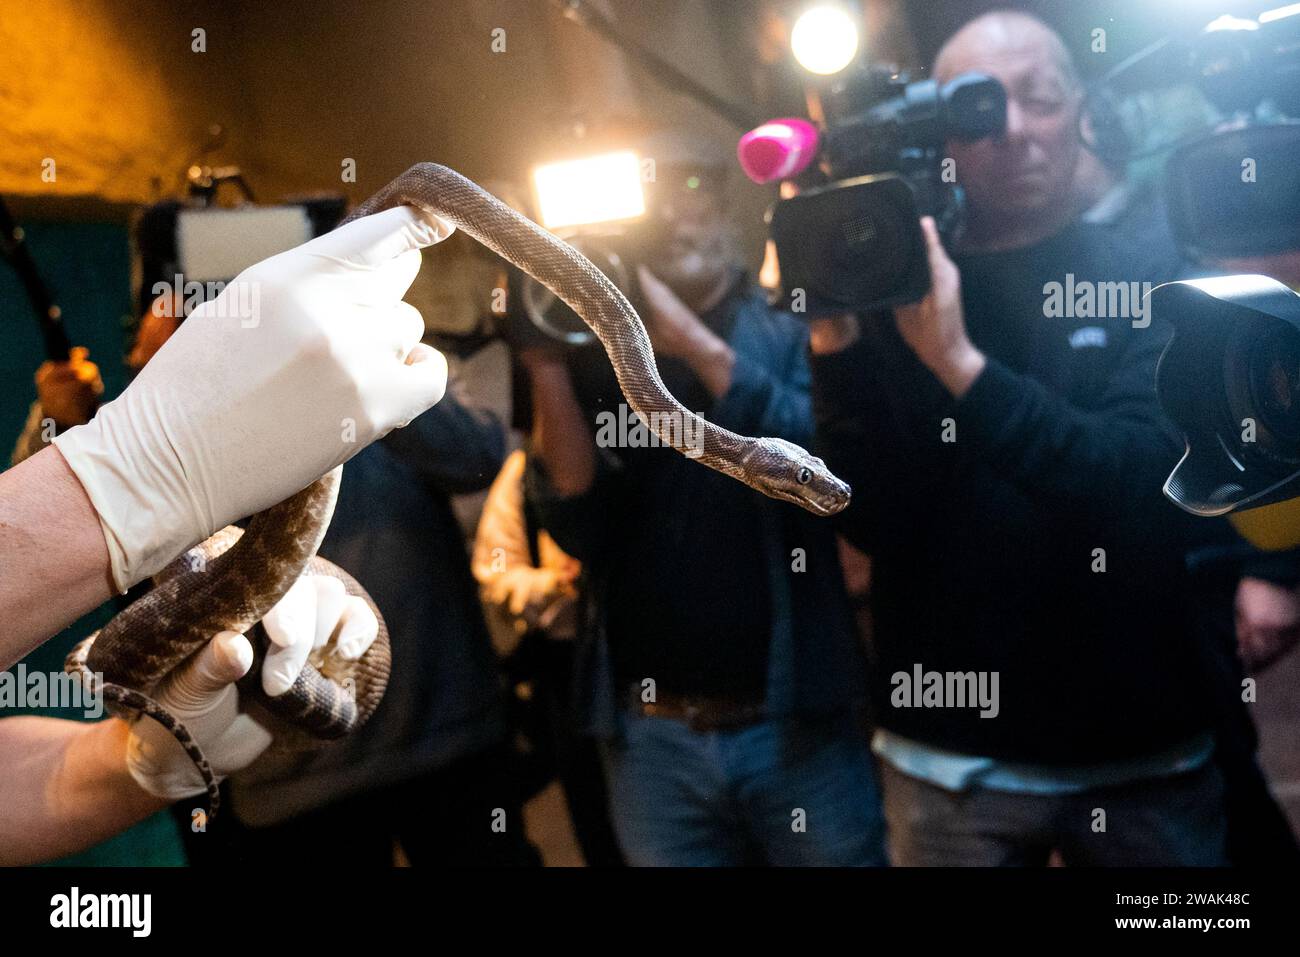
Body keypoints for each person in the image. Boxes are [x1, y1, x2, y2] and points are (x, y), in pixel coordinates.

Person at [810, 11, 1228, 865]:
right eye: (977, 109)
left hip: (1143, 741)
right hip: (949, 755)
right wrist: (835, 343)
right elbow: (872, 517)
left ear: (1082, 107)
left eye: (1040, 97)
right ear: (938, 135)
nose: (1013, 131)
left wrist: (960, 365)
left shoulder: (1155, 272)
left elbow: (1141, 484)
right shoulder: (893, 284)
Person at [0, 204, 454, 861]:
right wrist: (114, 464)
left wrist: (123, 767)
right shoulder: (163, 407)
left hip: (432, 736)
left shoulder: (335, 387)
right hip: (276, 801)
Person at [525, 135, 885, 866]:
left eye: (690, 195)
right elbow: (575, 520)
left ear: (724, 208)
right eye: (652, 205)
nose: (671, 218)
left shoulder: (789, 322)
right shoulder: (591, 348)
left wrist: (686, 341)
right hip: (650, 737)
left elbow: (830, 465)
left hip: (795, 720)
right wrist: (543, 355)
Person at [473, 448, 625, 866]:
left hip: (638, 659)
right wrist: (553, 584)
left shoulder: (637, 450)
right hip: (567, 666)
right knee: (594, 805)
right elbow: (495, 571)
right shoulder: (525, 469)